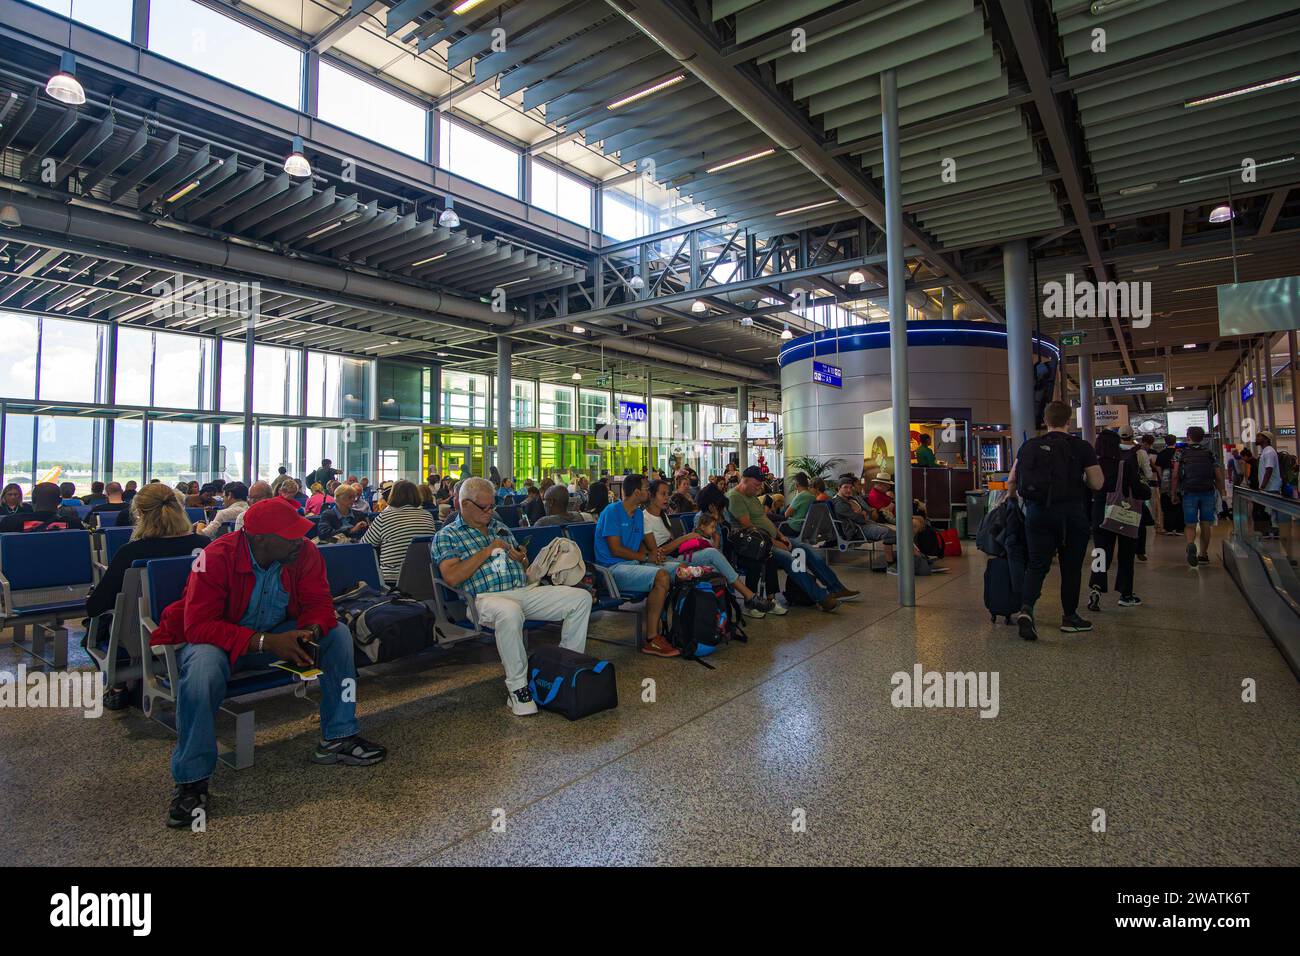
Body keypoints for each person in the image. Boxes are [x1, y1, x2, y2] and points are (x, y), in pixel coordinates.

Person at [150, 497, 386, 828]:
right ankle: (192, 779)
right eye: (289, 535)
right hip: (219, 641)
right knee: (201, 672)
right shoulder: (214, 557)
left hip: (276, 634)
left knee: (339, 637)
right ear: (258, 538)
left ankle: (339, 735)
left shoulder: (303, 553)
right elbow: (198, 626)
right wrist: (264, 642)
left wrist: (311, 630)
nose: (300, 540)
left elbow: (319, 601)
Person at [433, 476, 593, 716]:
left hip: (522, 590)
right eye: (484, 507)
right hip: (483, 599)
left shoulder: (500, 527)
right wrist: (487, 551)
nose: (490, 511)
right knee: (509, 612)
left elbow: (524, 567)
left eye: (492, 506)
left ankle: (564, 667)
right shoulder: (448, 535)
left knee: (580, 599)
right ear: (464, 505)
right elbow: (453, 577)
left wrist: (522, 557)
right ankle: (517, 687)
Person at [85, 483, 210, 710]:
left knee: (96, 627)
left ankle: (118, 686)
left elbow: (95, 607)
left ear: (140, 514)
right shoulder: (203, 546)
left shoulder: (131, 553)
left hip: (135, 638)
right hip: (192, 628)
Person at [1007, 401, 1103, 640]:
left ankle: (1027, 609)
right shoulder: (1081, 447)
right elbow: (1098, 483)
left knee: (1037, 564)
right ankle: (1070, 617)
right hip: (1072, 515)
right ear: (1068, 421)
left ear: (1046, 421)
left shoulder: (1030, 445)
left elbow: (1012, 480)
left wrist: (1012, 502)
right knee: (1071, 568)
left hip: (1038, 513)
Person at [728, 467, 857, 608]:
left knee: (805, 549)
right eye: (756, 485)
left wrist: (782, 536)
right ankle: (821, 597)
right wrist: (776, 542)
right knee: (791, 559)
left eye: (760, 485)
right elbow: (750, 528)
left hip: (770, 539)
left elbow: (764, 520)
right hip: (757, 545)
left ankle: (836, 588)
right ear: (744, 481)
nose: (759, 489)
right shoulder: (734, 497)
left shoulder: (751, 497)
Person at [642, 478, 770, 618]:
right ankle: (748, 596)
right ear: (652, 495)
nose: (667, 497)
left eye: (667, 494)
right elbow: (658, 552)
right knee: (712, 555)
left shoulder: (663, 516)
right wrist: (685, 538)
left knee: (714, 567)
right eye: (663, 494)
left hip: (676, 555)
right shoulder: (645, 518)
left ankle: (716, 615)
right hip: (665, 559)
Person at [594, 474, 679, 657]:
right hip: (612, 570)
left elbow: (639, 541)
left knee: (682, 570)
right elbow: (615, 549)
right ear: (637, 492)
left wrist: (650, 556)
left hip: (634, 564)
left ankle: (681, 627)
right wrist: (645, 557)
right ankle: (651, 638)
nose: (649, 491)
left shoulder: (638, 514)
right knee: (662, 576)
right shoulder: (612, 512)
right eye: (647, 488)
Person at [1086, 430, 1143, 612]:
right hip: (1122, 513)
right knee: (1126, 555)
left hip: (1099, 514)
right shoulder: (1123, 465)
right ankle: (1126, 594)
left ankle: (1096, 588)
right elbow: (1138, 488)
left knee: (1101, 553)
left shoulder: (1092, 466)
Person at [359, 479, 438, 585]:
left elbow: (364, 546)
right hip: (424, 578)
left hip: (392, 581)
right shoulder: (428, 516)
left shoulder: (384, 517)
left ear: (393, 495)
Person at [1171, 425, 1226, 569]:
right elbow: (1218, 476)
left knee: (1190, 525)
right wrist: (1222, 492)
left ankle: (1190, 544)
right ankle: (1203, 554)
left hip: (1189, 491)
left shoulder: (1180, 453)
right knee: (1206, 524)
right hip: (1207, 491)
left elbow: (1176, 475)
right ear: (1202, 438)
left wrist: (1173, 493)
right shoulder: (1210, 453)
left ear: (1188, 436)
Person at [833, 477, 905, 570]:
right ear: (839, 488)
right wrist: (862, 515)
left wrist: (862, 514)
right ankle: (890, 563)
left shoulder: (850, 499)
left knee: (897, 532)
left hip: (865, 525)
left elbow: (866, 512)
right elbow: (859, 518)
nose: (848, 490)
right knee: (889, 533)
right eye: (845, 487)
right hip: (857, 530)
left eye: (850, 487)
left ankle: (911, 557)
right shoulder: (839, 504)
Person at [1254, 431, 1290, 549]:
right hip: (1269, 487)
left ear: (1266, 439)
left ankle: (1275, 530)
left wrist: (1262, 486)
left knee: (1271, 511)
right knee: (1270, 511)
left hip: (1271, 487)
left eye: (1259, 436)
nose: (1256, 438)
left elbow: (1269, 469)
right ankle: (1273, 530)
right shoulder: (1265, 451)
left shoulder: (1269, 452)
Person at [0, 482, 84, 532]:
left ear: (33, 500)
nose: (13, 497)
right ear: (59, 501)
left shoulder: (9, 523)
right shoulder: (74, 524)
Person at [1155, 436, 1184, 536]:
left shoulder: (1161, 453)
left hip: (1165, 482)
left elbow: (1158, 467)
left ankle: (1169, 528)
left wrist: (1161, 477)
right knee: (1179, 504)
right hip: (1179, 482)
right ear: (1175, 441)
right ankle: (1180, 527)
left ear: (1165, 442)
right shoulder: (1179, 452)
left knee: (1166, 505)